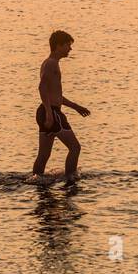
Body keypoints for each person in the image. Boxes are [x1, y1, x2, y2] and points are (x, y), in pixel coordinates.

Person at [31, 30, 90, 183]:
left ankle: (35, 180)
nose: (70, 49)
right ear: (58, 46)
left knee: (44, 155)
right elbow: (42, 88)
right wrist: (50, 114)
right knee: (75, 147)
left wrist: (76, 107)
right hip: (51, 113)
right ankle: (70, 180)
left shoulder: (50, 63)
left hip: (46, 111)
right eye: (67, 46)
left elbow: (55, 96)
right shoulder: (51, 64)